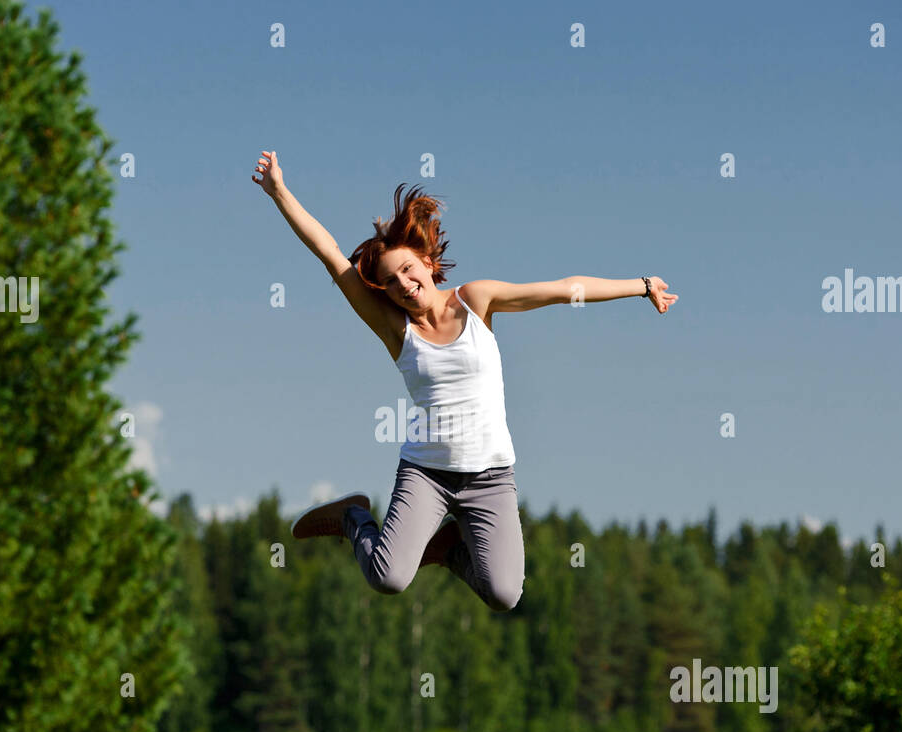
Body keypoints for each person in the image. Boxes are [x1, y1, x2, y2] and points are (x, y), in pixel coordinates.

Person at [251, 150, 677, 612]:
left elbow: (561, 289)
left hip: (491, 477)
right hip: (426, 474)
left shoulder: (477, 300)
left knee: (503, 594)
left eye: (408, 270)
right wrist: (279, 192)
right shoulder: (396, 329)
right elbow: (330, 255)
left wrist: (640, 284)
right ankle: (353, 516)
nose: (404, 284)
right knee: (388, 577)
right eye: (391, 282)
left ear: (428, 262)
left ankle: (449, 549)